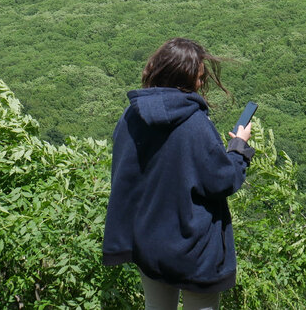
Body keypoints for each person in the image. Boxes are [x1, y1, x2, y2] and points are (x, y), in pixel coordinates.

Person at [103, 38, 254, 310]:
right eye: (198, 77)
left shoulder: (131, 115)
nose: (200, 83)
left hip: (148, 241)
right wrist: (239, 148)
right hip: (195, 250)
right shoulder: (194, 124)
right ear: (184, 78)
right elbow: (222, 180)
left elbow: (125, 172)